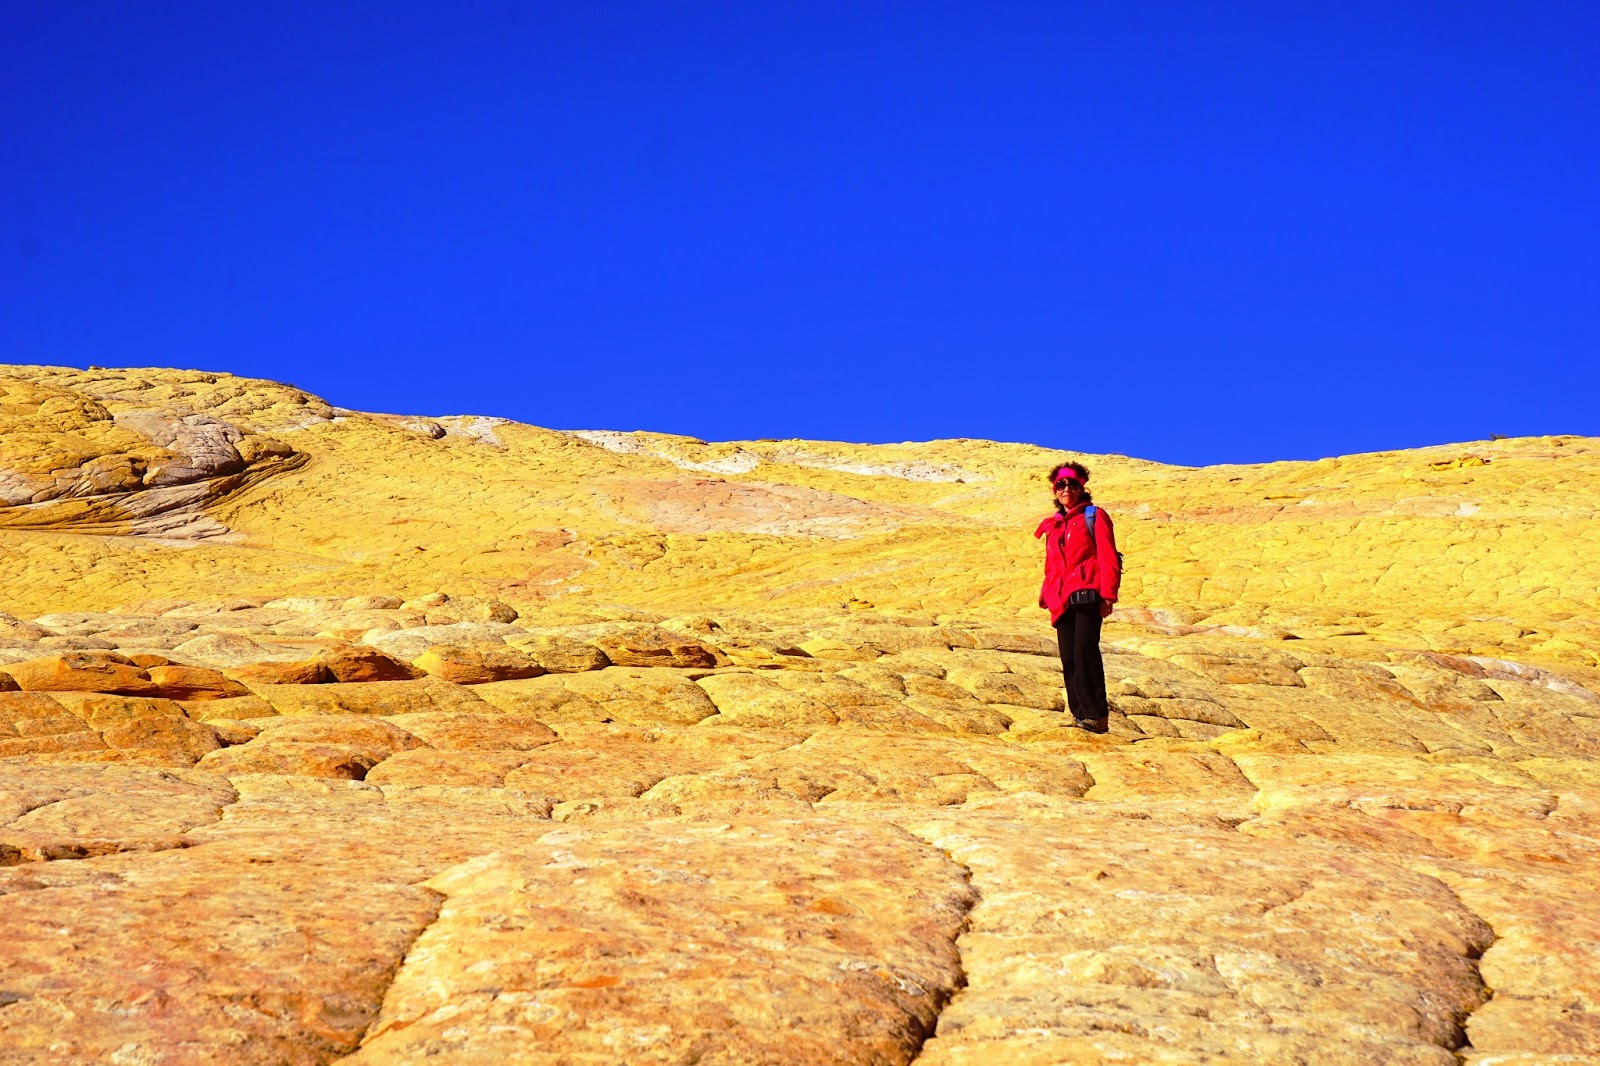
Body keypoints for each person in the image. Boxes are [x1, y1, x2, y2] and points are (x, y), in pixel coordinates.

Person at [1034, 461, 1121, 732]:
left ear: (1082, 487)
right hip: (1061, 599)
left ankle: (1096, 715)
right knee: (1069, 658)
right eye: (1061, 484)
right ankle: (1080, 715)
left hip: (1087, 593)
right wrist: (1046, 593)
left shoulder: (1094, 516)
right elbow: (1053, 565)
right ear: (1055, 490)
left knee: (1085, 653)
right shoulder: (1055, 525)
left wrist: (1108, 594)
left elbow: (1108, 556)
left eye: (1072, 483)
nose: (1066, 488)